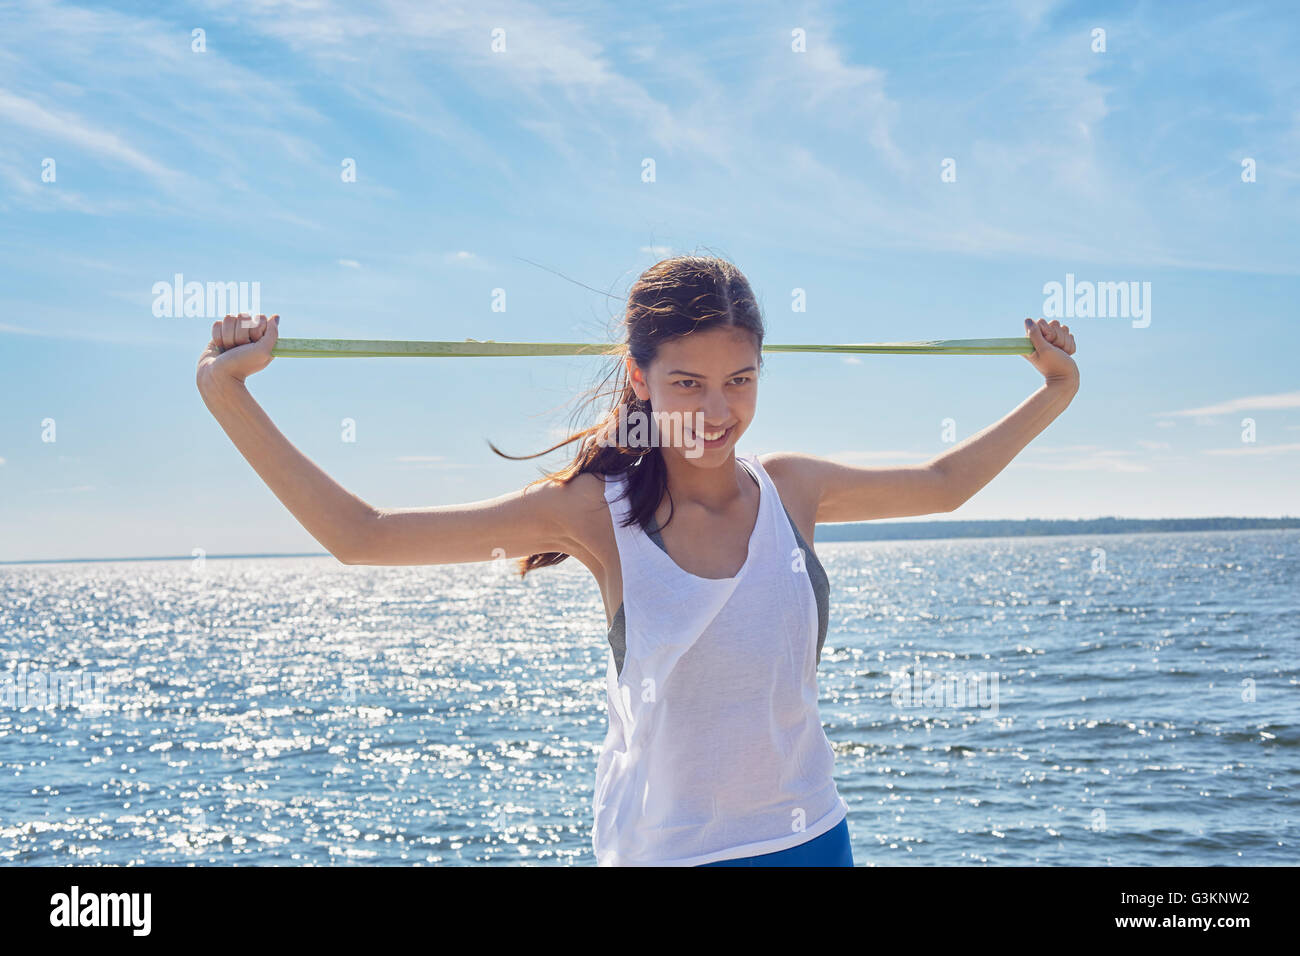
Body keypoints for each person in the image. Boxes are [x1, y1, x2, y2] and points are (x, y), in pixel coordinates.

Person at [195, 254, 1079, 866]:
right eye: (687, 383)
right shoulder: (595, 513)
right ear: (640, 376)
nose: (718, 410)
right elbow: (364, 534)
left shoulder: (796, 489)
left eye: (741, 379)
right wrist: (223, 392)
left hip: (812, 841)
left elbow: (946, 480)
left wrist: (1057, 389)